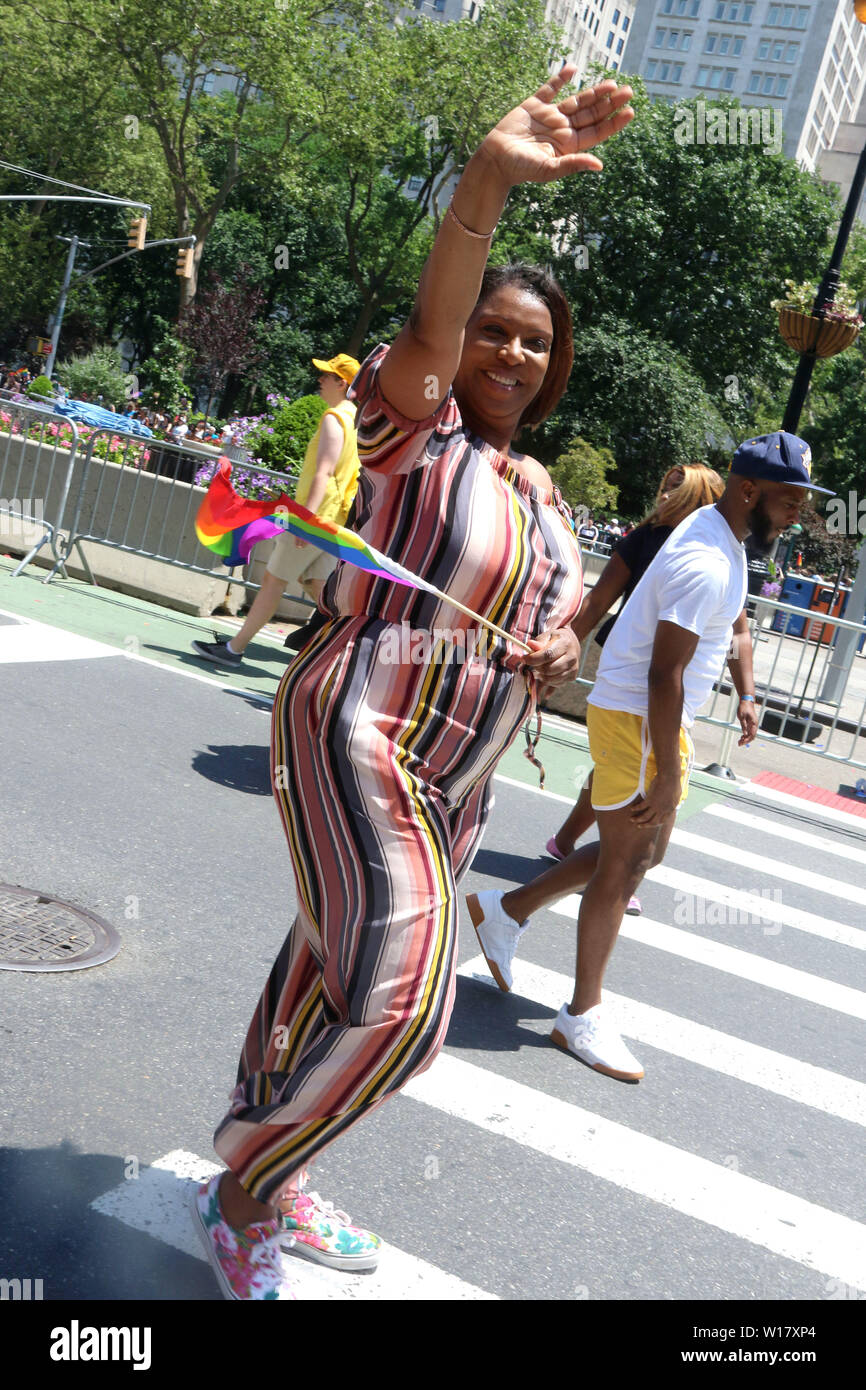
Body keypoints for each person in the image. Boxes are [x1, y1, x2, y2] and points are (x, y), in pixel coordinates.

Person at [190, 66, 634, 1300]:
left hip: (458, 786)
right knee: (404, 1009)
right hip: (357, 729)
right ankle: (241, 1183)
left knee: (329, 974)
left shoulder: (538, 498)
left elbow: (544, 630)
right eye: (494, 328)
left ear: (553, 370)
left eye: (532, 343)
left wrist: (554, 649)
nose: (507, 349)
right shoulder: (415, 428)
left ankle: (275, 1176)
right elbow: (436, 327)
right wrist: (487, 180)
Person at [468, 431, 828, 1083]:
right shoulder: (709, 559)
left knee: (637, 854)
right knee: (627, 861)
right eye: (792, 494)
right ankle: (581, 1014)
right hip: (639, 714)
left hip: (652, 716)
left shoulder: (724, 542)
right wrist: (665, 774)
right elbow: (664, 674)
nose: (801, 507)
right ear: (750, 489)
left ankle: (507, 911)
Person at [471, 462, 730, 929]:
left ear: (701, 498)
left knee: (639, 837)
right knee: (635, 843)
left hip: (667, 699)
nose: (666, 491)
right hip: (638, 688)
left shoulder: (717, 553)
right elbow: (596, 602)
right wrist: (564, 646)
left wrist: (746, 695)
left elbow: (739, 630)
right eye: (665, 482)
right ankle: (575, 890)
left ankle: (556, 874)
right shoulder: (648, 540)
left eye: (679, 486)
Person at [191, 353, 362, 668]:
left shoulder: (334, 418)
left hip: (314, 518)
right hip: (332, 518)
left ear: (342, 382)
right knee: (319, 590)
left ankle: (234, 649)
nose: (320, 379)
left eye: (327, 375)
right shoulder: (354, 420)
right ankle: (350, 655)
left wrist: (305, 520)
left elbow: (323, 472)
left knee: (273, 580)